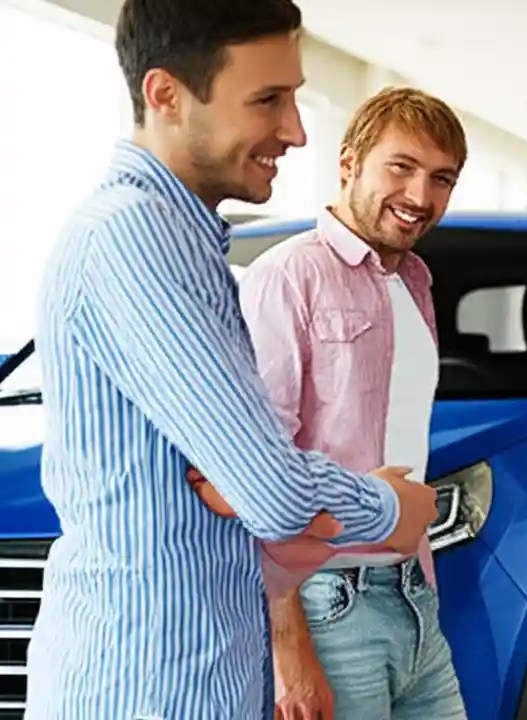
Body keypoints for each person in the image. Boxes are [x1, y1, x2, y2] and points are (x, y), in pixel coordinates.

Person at [24, 1, 438, 717]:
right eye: (268, 101)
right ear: (165, 96)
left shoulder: (184, 244)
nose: (296, 129)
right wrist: (388, 506)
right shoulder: (135, 240)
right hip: (148, 691)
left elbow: (235, 488)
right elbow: (268, 489)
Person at [236, 86, 469, 719]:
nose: (420, 197)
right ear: (349, 161)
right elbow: (255, 475)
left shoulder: (414, 281)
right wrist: (290, 646)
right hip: (328, 605)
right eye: (401, 167)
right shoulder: (289, 277)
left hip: (413, 593)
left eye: (441, 178)